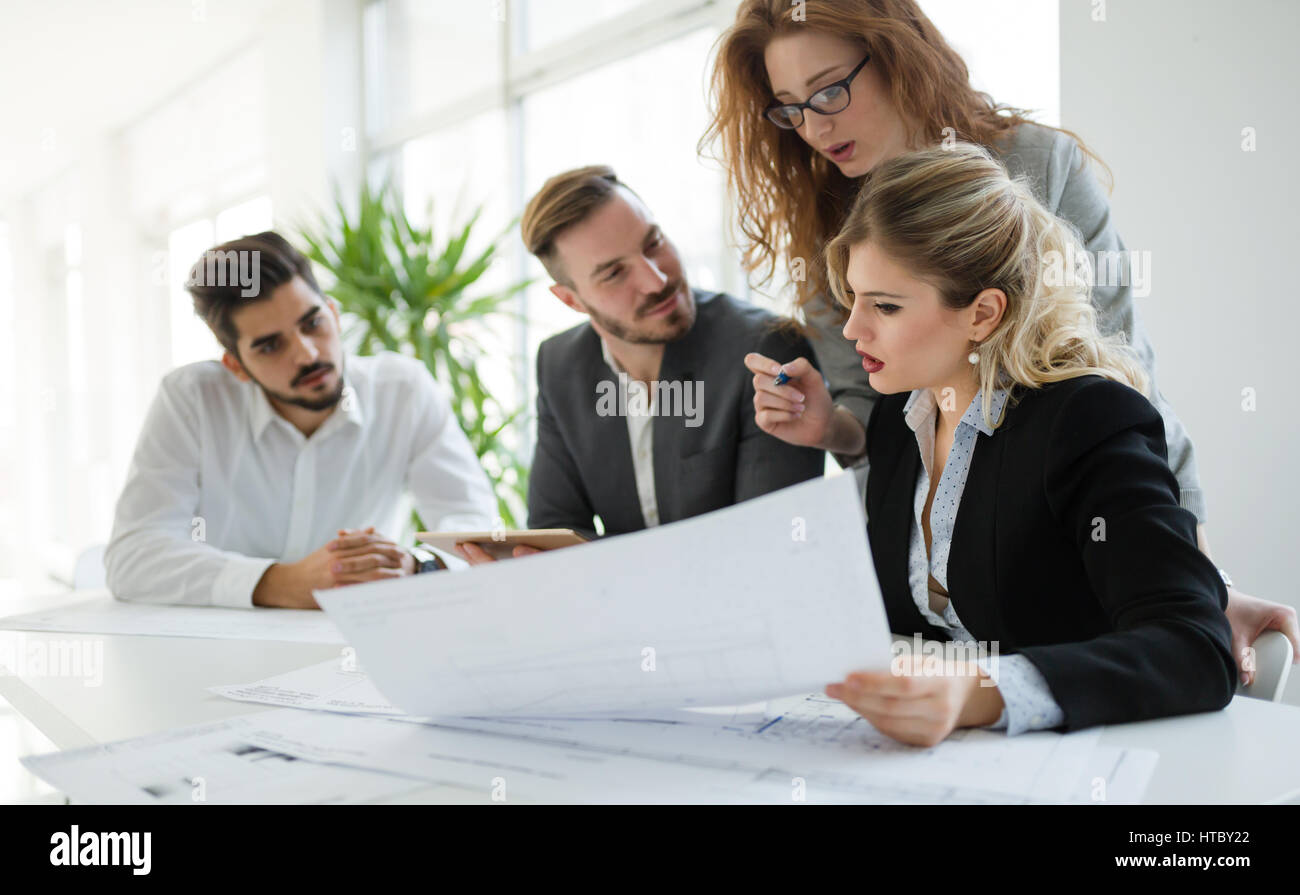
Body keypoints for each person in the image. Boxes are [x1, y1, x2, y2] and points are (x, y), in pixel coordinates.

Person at [706, 0, 1297, 685]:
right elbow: (883, 419)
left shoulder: (1037, 170)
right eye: (790, 107)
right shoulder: (828, 228)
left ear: (897, 55)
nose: (815, 124)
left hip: (1072, 567)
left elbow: (1121, 384)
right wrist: (832, 429)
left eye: (831, 89)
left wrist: (1193, 580)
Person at [810, 143, 1237, 745]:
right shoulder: (896, 419)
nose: (854, 328)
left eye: (885, 305)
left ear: (982, 314)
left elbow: (1194, 648)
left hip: (1089, 764)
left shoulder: (1089, 419)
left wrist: (977, 692)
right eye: (853, 297)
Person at [105, 231, 496, 608]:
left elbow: (476, 528)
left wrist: (416, 566)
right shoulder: (192, 398)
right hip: (225, 652)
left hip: (360, 647)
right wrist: (279, 583)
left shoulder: (402, 390)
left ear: (334, 315)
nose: (307, 355)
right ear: (237, 366)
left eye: (312, 324)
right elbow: (133, 556)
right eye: (271, 346)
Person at [456, 165, 824, 564]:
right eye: (614, 273)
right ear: (572, 301)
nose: (656, 280)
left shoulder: (766, 347)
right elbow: (552, 539)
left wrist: (592, 565)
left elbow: (768, 550)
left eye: (654, 243)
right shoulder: (560, 364)